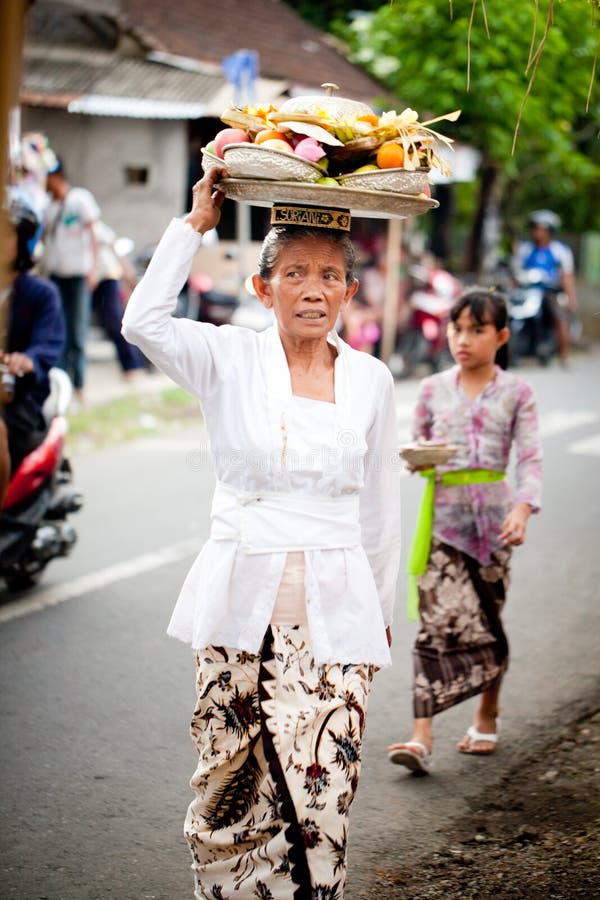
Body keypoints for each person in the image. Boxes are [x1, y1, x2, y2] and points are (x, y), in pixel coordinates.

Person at [122, 169, 402, 898]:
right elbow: (142, 323)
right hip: (239, 615)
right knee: (229, 795)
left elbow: (379, 508)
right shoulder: (227, 358)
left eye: (332, 275)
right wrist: (193, 227)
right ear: (263, 286)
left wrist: (384, 614)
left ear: (349, 291)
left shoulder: (372, 379)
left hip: (338, 620)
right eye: (297, 272)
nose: (314, 288)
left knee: (325, 795)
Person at [388, 289, 542, 774]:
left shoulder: (518, 392)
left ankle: (486, 713)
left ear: (500, 336)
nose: (463, 339)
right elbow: (419, 444)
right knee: (436, 623)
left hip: (495, 527)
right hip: (443, 522)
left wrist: (522, 507)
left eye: (476, 330)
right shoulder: (433, 389)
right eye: (456, 328)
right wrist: (420, 459)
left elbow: (530, 458)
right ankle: (421, 734)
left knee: (486, 623)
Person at [1, 191, 65, 476]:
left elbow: (46, 347)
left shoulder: (41, 294)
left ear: (23, 241)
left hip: (20, 400)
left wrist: (25, 361)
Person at [43, 158, 100, 401]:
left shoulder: (79, 199)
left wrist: (93, 269)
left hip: (78, 276)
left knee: (78, 332)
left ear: (56, 176)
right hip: (56, 277)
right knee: (60, 332)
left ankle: (79, 385)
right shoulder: (48, 207)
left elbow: (93, 234)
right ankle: (63, 384)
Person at [514, 209, 577, 366]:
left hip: (550, 291)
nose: (537, 232)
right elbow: (516, 271)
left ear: (550, 231)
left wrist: (570, 299)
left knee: (559, 319)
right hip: (528, 291)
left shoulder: (559, 250)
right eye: (535, 228)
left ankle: (564, 355)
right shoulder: (525, 249)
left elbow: (567, 276)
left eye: (541, 229)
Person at [91, 220, 144, 379]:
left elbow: (115, 250)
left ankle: (133, 365)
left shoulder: (97, 227)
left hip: (106, 277)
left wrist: (127, 273)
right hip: (88, 280)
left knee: (115, 322)